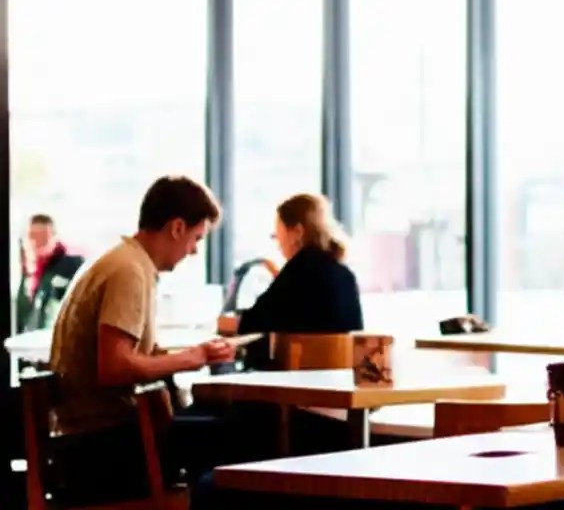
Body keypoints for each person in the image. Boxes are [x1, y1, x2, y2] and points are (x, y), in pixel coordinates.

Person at [48, 175, 237, 505]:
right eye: (196, 239)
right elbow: (114, 367)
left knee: (222, 432)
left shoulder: (123, 261)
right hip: (102, 447)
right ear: (177, 227)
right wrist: (192, 358)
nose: (194, 252)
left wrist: (193, 354)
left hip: (83, 442)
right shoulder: (129, 271)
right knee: (243, 438)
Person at [217, 193, 363, 369]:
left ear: (297, 232)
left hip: (302, 382)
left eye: (278, 235)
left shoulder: (299, 270)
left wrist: (223, 323)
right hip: (342, 379)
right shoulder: (344, 274)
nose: (278, 244)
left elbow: (253, 322)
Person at [16, 214, 85, 332]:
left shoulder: (72, 264)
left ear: (54, 237)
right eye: (32, 238)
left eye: (43, 239)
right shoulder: (27, 271)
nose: (36, 244)